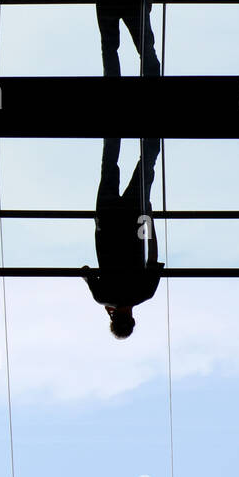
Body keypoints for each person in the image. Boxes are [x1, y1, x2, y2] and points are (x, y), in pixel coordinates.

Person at [82, 137, 164, 339]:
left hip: (133, 220)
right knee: (109, 167)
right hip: (107, 219)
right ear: (112, 318)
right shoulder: (102, 296)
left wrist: (148, 220)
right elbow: (85, 272)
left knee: (146, 167)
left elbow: (152, 256)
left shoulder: (144, 293)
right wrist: (107, 306)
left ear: (133, 320)